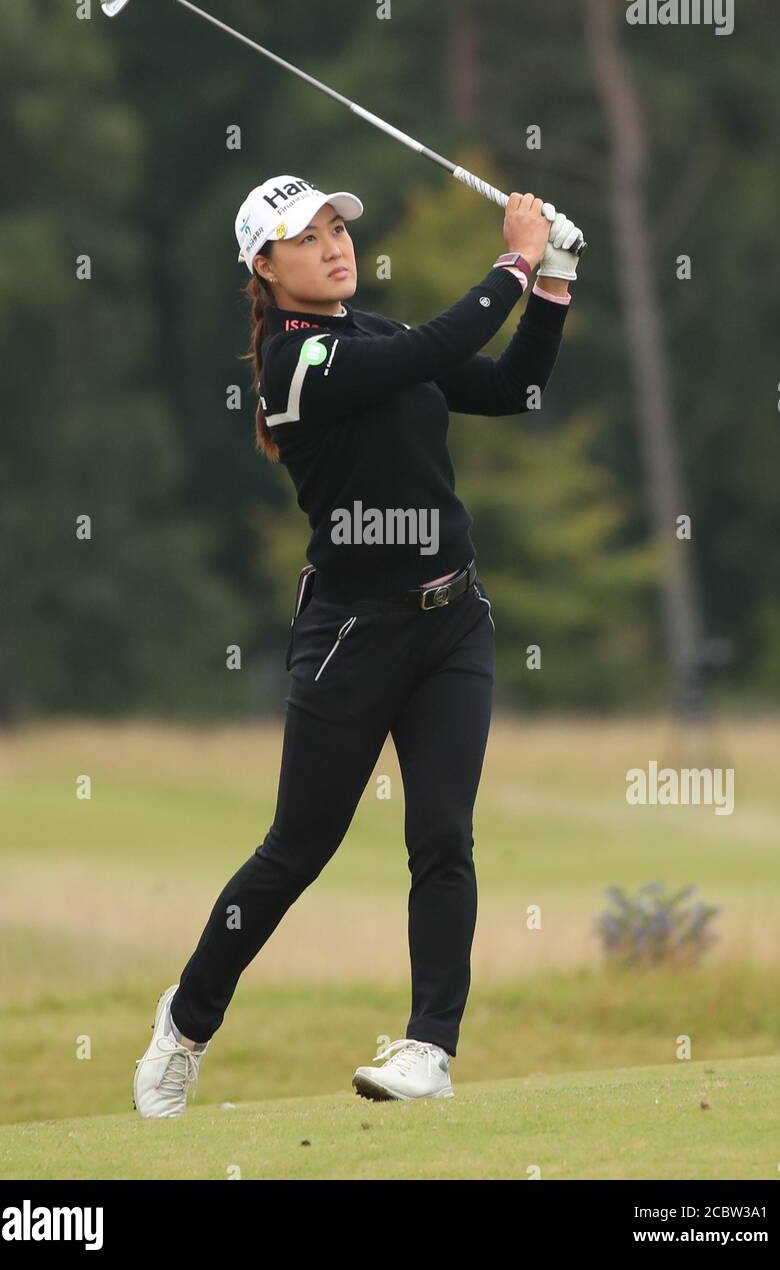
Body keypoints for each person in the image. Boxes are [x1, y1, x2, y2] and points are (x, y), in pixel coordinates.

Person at [133, 173, 582, 1116]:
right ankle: (186, 1025)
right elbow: (445, 340)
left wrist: (551, 290)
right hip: (354, 637)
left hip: (454, 621)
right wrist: (514, 257)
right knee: (298, 848)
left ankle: (430, 1049)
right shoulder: (292, 367)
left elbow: (507, 387)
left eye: (339, 227)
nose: (335, 245)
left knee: (442, 836)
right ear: (266, 265)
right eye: (309, 236)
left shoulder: (369, 336)